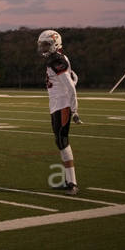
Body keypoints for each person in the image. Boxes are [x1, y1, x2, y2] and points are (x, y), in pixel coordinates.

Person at [39, 29, 82, 195]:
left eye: (46, 44)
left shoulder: (56, 59)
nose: (43, 47)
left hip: (62, 104)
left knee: (62, 140)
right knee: (59, 141)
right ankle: (68, 180)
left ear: (55, 44)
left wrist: (74, 109)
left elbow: (70, 86)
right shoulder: (56, 58)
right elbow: (69, 79)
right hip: (56, 103)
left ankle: (73, 183)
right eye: (42, 44)